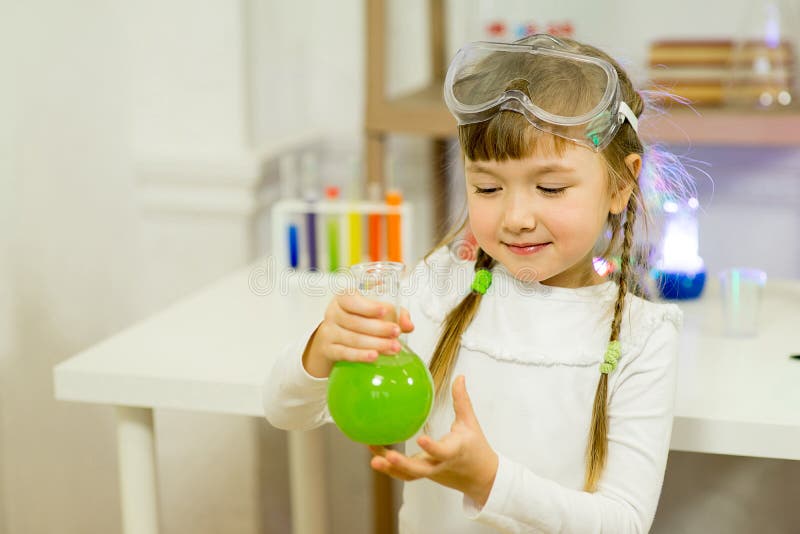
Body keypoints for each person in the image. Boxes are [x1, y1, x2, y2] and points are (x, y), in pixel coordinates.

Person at [264, 33, 694, 533]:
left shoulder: (643, 337)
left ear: (620, 184)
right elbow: (285, 410)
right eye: (487, 187)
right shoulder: (438, 290)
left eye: (550, 187)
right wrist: (323, 347)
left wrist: (491, 481)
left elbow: (623, 523)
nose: (516, 217)